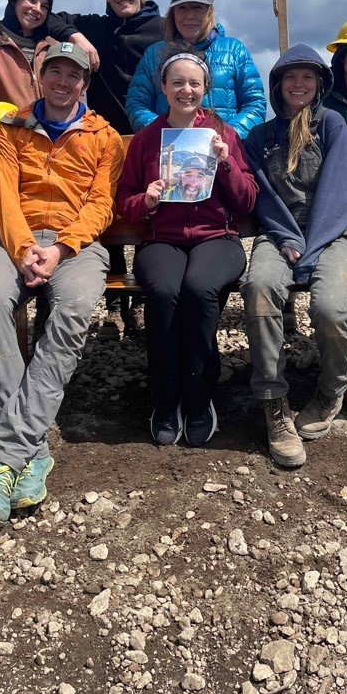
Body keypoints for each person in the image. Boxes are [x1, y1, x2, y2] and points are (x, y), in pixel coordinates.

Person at [0, 41, 124, 525]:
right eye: (53, 72)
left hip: (75, 246)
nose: (62, 81)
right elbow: (4, 195)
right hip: (13, 239)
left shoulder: (105, 137)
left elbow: (101, 205)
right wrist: (22, 248)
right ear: (40, 78)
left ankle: (5, 454)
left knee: (74, 309)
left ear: (84, 83)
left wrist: (59, 248)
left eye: (72, 75)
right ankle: (31, 449)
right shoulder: (11, 127)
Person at [116, 44, 257, 447]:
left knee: (199, 289)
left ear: (205, 88)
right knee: (164, 292)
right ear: (163, 87)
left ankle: (199, 399)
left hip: (218, 239)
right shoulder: (146, 139)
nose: (186, 90)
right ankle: (164, 400)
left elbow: (247, 201)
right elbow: (123, 201)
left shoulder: (222, 133)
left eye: (194, 83)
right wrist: (145, 200)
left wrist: (226, 163)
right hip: (162, 239)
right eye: (177, 82)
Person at [241, 45, 347, 468]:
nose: (298, 85)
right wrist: (284, 236)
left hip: (334, 235)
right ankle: (274, 402)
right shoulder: (261, 137)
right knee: (259, 287)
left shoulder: (331, 124)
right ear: (278, 85)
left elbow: (341, 191)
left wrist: (310, 249)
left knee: (329, 305)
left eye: (307, 78)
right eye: (290, 78)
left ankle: (331, 391)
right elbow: (262, 197)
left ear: (319, 85)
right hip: (280, 235)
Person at [47, 0, 166, 339]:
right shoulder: (96, 27)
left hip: (154, 135)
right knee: (108, 211)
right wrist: (77, 38)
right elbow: (52, 17)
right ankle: (115, 306)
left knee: (152, 209)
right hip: (106, 136)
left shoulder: (163, 28)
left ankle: (147, 300)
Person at [125, 0, 265, 140]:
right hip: (168, 154)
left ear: (209, 11)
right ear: (172, 14)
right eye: (182, 8)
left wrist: (226, 136)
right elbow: (136, 104)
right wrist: (163, 132)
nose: (190, 15)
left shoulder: (234, 50)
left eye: (197, 7)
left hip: (223, 154)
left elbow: (255, 104)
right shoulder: (153, 54)